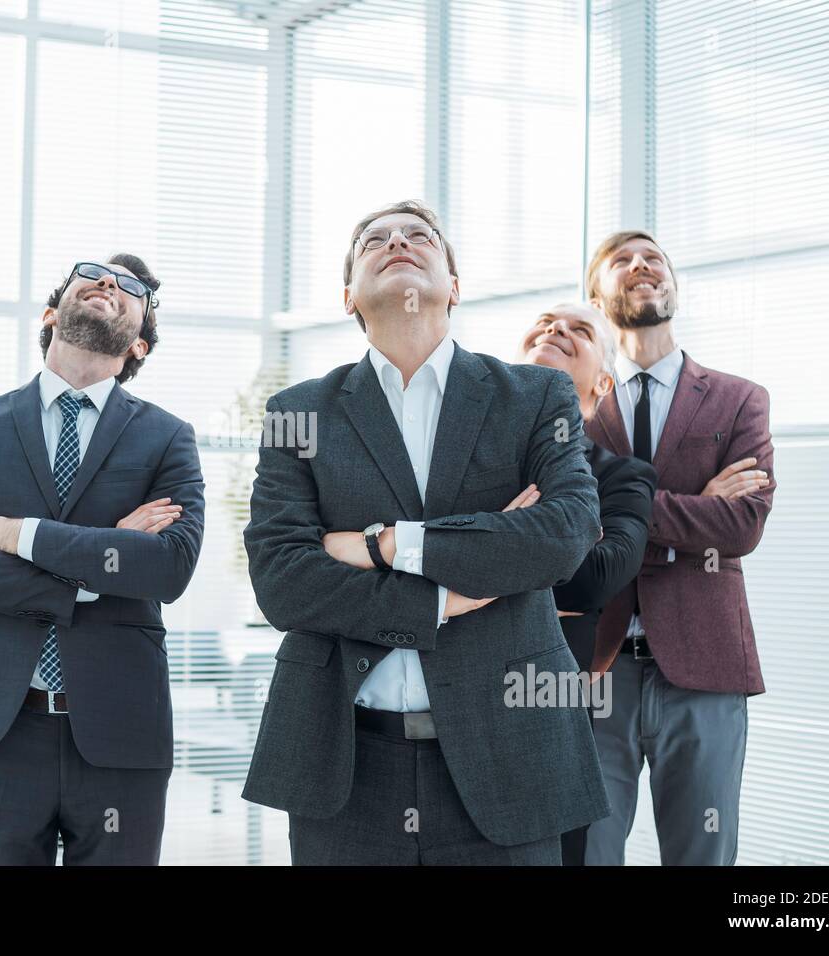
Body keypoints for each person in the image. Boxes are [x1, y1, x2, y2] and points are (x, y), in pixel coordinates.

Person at [242, 200, 608, 865]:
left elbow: (565, 531)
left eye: (419, 237)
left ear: (455, 286)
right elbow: (283, 582)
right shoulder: (297, 413)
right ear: (349, 294)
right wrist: (441, 598)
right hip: (348, 766)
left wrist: (385, 546)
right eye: (374, 240)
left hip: (511, 760)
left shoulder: (535, 397)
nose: (397, 242)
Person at [0, 254, 204, 866]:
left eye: (131, 290)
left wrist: (20, 535)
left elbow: (169, 569)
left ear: (139, 346)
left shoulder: (169, 437)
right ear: (52, 314)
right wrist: (103, 557)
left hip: (120, 730)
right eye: (94, 275)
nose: (109, 284)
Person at [581, 230, 775, 865]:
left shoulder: (738, 398)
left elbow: (742, 526)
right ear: (596, 294)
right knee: (584, 854)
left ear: (673, 284)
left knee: (703, 857)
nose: (641, 266)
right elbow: (569, 525)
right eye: (621, 261)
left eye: (654, 257)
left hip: (707, 668)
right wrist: (696, 507)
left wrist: (624, 516)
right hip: (595, 673)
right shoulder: (576, 411)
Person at [517, 304, 659, 865]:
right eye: (548, 323)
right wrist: (554, 537)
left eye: (580, 331)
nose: (556, 331)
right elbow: (426, 557)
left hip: (551, 721)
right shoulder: (464, 461)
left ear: (604, 382)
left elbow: (592, 581)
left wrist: (494, 536)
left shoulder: (624, 477)